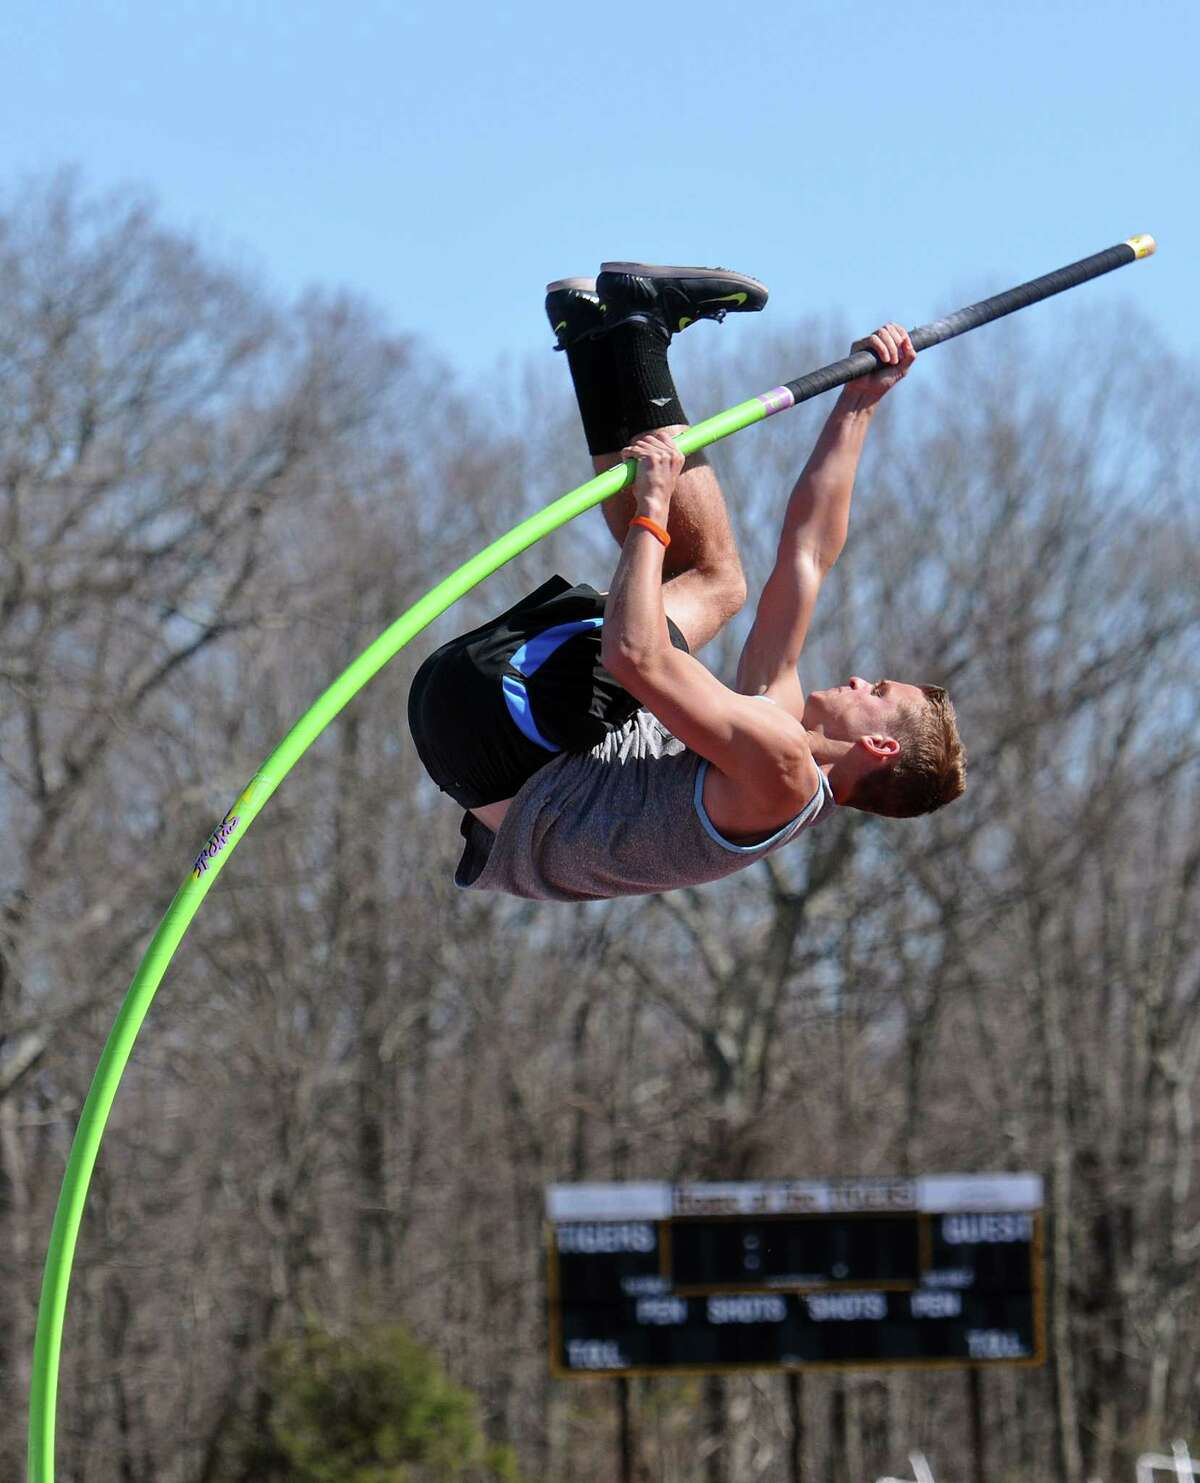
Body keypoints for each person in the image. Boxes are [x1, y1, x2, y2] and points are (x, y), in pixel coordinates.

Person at [407, 263, 966, 902]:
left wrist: (652, 508)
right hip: (471, 739)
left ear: (879, 744)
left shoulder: (783, 772)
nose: (864, 678)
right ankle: (599, 340)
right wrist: (859, 404)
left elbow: (635, 654)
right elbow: (807, 554)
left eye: (880, 689)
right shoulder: (775, 735)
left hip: (506, 729)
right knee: (698, 579)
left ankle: (638, 328)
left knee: (714, 582)